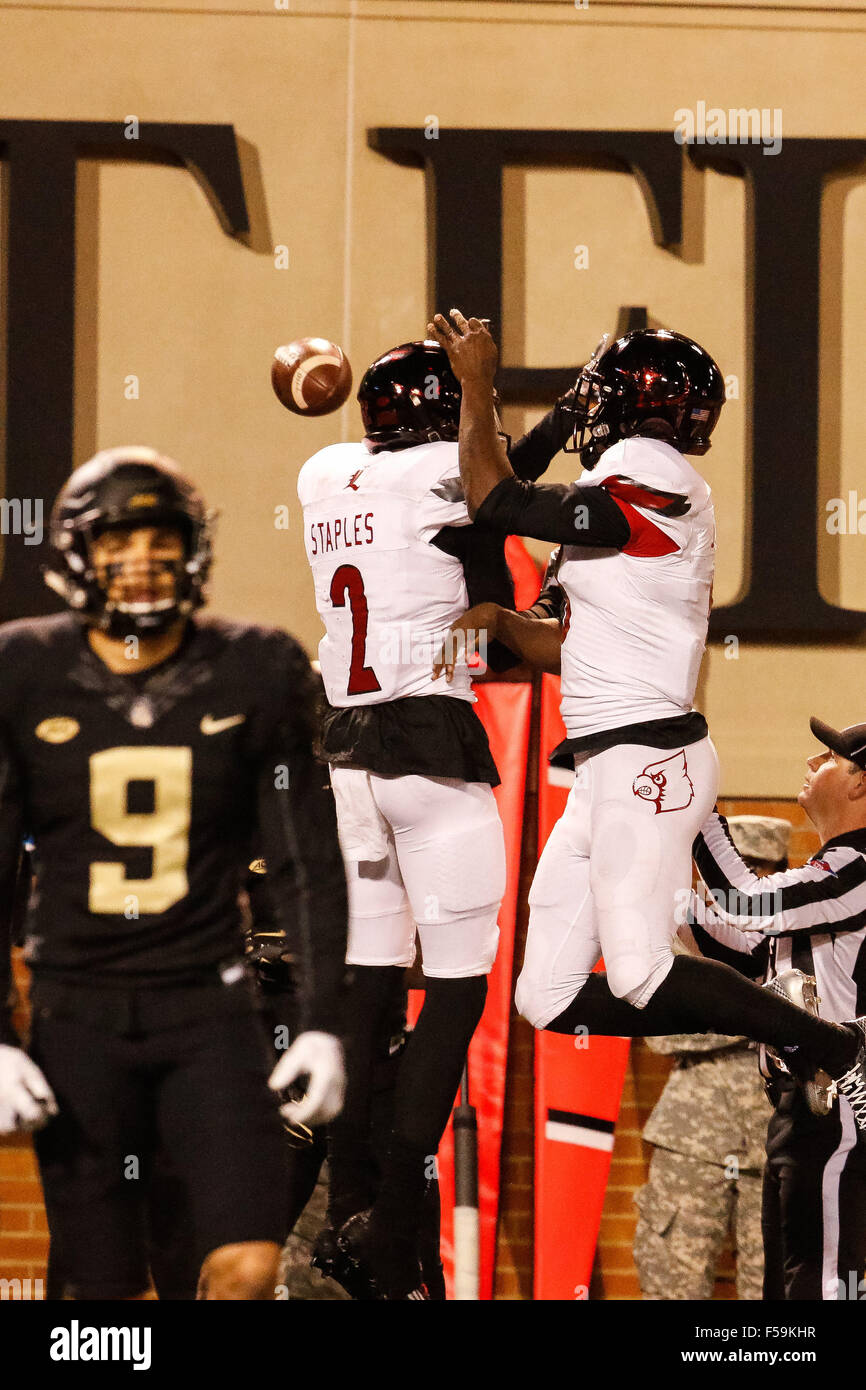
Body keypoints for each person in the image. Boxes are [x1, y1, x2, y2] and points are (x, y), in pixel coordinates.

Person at [428, 309, 866, 1130]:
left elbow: (494, 498)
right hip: (607, 766)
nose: (588, 413)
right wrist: (493, 617)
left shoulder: (650, 472)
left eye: (598, 398)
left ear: (634, 405)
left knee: (640, 970)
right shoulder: (622, 494)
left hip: (650, 760)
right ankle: (782, 1021)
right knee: (546, 995)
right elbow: (556, 644)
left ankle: (832, 1046)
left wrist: (479, 385)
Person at [0, 447, 347, 1300]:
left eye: (160, 542)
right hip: (78, 1013)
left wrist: (320, 1019)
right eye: (120, 544)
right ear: (80, 557)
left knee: (246, 1261)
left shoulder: (256, 667)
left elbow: (306, 860)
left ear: (194, 551)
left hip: (210, 1011)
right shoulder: (23, 669)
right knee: (102, 1286)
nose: (142, 563)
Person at [296, 340, 516, 1299]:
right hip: (428, 741)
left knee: (368, 985)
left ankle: (348, 1208)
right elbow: (503, 484)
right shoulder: (449, 471)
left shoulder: (323, 473)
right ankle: (388, 1203)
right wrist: (483, 388)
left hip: (347, 753)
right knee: (460, 991)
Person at [683, 720, 866, 1300]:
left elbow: (742, 903)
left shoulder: (858, 867)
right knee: (786, 1291)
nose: (814, 760)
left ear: (862, 785)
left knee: (825, 1286)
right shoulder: (829, 878)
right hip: (798, 1111)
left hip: (842, 1108)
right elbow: (739, 951)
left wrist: (691, 801)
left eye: (833, 756)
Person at [633, 815, 790, 1301]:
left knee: (775, 1289)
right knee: (671, 1279)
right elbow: (661, 1034)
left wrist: (718, 1009)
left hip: (777, 1140)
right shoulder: (682, 935)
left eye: (763, 872)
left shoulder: (799, 936)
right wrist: (765, 1014)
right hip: (693, 1135)